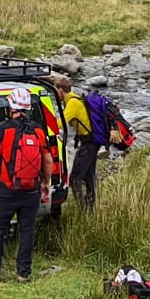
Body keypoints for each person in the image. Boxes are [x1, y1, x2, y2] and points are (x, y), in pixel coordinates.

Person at [0, 88, 53, 282]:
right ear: (28, 108)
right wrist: (45, 182)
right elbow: (47, 160)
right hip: (31, 191)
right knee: (27, 230)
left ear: (10, 106)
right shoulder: (38, 130)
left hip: (6, 189)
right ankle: (23, 273)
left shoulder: (4, 129)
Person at [54, 75, 100, 208]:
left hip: (88, 143)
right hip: (92, 142)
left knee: (75, 178)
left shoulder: (72, 103)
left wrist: (43, 124)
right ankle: (90, 206)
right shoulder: (73, 100)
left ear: (60, 90)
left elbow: (61, 122)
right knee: (88, 175)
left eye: (56, 91)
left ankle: (83, 208)